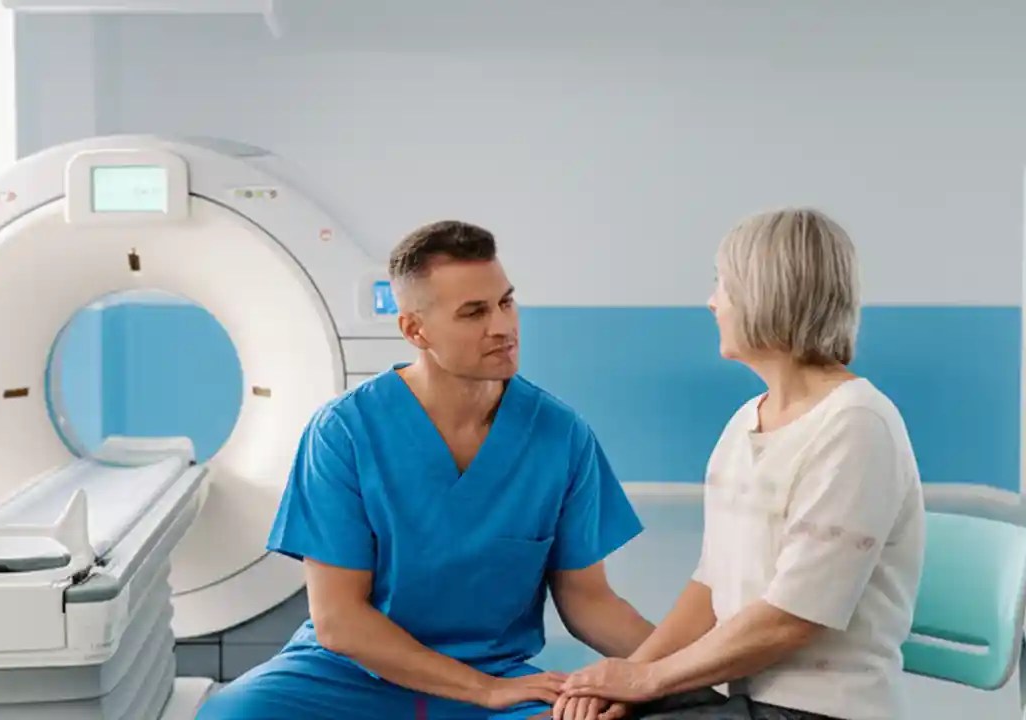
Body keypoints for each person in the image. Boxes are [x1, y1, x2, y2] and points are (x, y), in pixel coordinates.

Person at [196, 220, 654, 719]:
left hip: (498, 674)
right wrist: (481, 690)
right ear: (415, 329)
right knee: (229, 715)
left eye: (505, 302)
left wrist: (680, 669)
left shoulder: (561, 436)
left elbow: (589, 601)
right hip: (348, 675)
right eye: (474, 312)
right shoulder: (345, 432)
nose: (502, 326)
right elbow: (339, 621)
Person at [553, 208, 925, 720]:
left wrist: (646, 679)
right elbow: (712, 585)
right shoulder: (746, 421)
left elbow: (793, 619)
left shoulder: (857, 426)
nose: (711, 302)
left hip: (816, 709)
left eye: (722, 285)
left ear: (768, 292)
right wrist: (624, 679)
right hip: (741, 694)